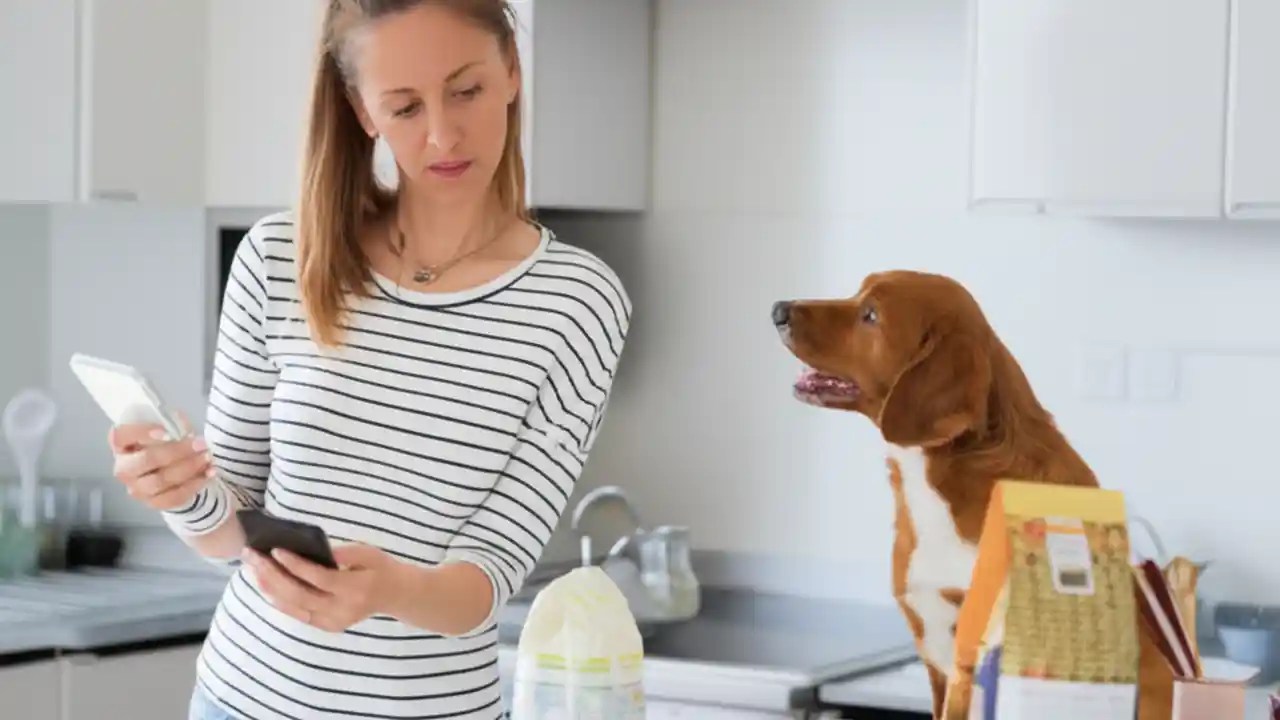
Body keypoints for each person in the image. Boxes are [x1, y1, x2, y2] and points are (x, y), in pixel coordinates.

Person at [106, 1, 630, 718]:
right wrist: (179, 493)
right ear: (361, 110)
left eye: (466, 89)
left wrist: (391, 590)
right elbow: (234, 529)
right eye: (405, 107)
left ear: (512, 68)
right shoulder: (279, 258)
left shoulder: (578, 303)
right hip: (240, 700)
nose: (442, 134)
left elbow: (491, 572)